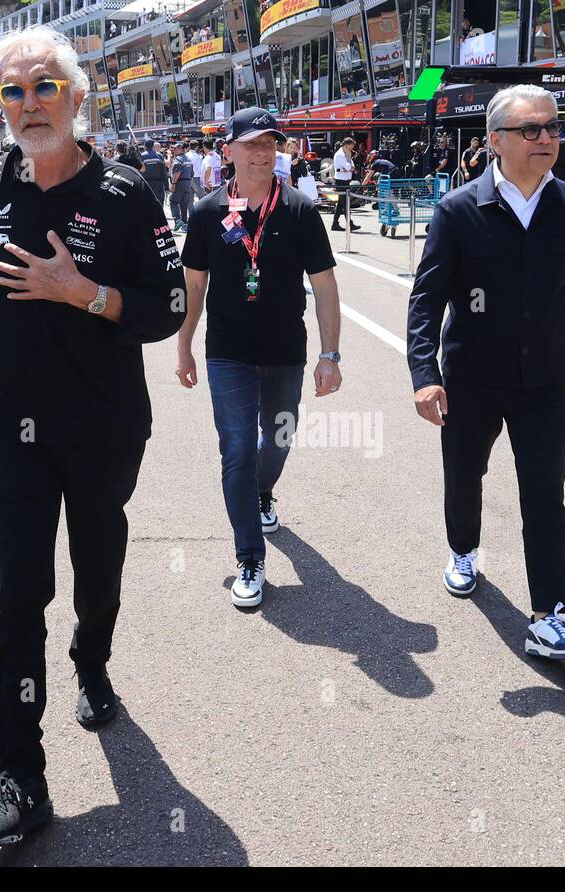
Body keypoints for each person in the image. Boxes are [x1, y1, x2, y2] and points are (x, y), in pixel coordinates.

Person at [0, 26, 186, 849]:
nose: (28, 104)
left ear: (78, 96)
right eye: (13, 91)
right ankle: (20, 775)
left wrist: (84, 293)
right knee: (18, 594)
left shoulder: (127, 193)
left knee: (96, 569)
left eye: (44, 86)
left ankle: (93, 656)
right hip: (12, 434)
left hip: (102, 428)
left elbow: (170, 309)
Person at [407, 84, 565, 661]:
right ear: (496, 140)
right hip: (472, 378)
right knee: (465, 476)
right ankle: (463, 548)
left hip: (545, 380)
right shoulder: (458, 209)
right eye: (531, 130)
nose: (547, 138)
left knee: (545, 495)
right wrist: (425, 373)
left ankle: (551, 615)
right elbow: (426, 298)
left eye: (553, 128)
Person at [175, 107, 342, 609]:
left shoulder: (300, 211)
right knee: (237, 449)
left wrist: (330, 353)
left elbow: (325, 285)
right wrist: (183, 345)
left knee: (280, 439)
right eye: (252, 144)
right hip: (228, 353)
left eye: (271, 143)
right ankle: (249, 555)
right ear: (228, 151)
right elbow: (194, 285)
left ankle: (262, 492)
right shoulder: (207, 213)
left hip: (287, 351)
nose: (264, 152)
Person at [331, 136, 358, 231]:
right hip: (341, 181)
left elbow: (352, 166)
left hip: (346, 180)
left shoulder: (346, 153)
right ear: (346, 146)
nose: (352, 149)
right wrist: (349, 158)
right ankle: (349, 224)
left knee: (340, 204)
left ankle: (335, 224)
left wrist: (350, 165)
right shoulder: (340, 155)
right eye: (351, 147)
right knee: (346, 203)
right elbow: (348, 167)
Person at [169, 141, 194, 232]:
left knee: (173, 201)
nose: (173, 150)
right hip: (188, 184)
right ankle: (185, 223)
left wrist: (173, 184)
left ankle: (177, 220)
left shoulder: (178, 159)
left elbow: (177, 172)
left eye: (175, 149)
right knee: (184, 204)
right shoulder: (189, 160)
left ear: (181, 149)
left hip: (179, 183)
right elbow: (192, 174)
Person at [139, 139, 170, 208]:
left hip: (146, 184)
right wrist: (167, 187)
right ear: (153, 146)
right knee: (159, 204)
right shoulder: (159, 156)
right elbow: (164, 173)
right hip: (158, 185)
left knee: (147, 204)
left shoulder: (141, 156)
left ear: (145, 147)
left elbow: (139, 171)